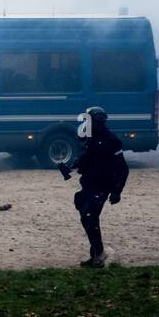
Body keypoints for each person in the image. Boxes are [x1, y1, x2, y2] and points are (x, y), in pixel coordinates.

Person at [58, 106, 129, 268]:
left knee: (89, 217)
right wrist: (69, 167)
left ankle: (99, 254)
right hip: (89, 184)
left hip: (103, 185)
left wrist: (117, 191)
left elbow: (123, 168)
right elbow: (86, 159)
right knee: (86, 217)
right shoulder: (91, 139)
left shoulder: (111, 140)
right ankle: (96, 253)